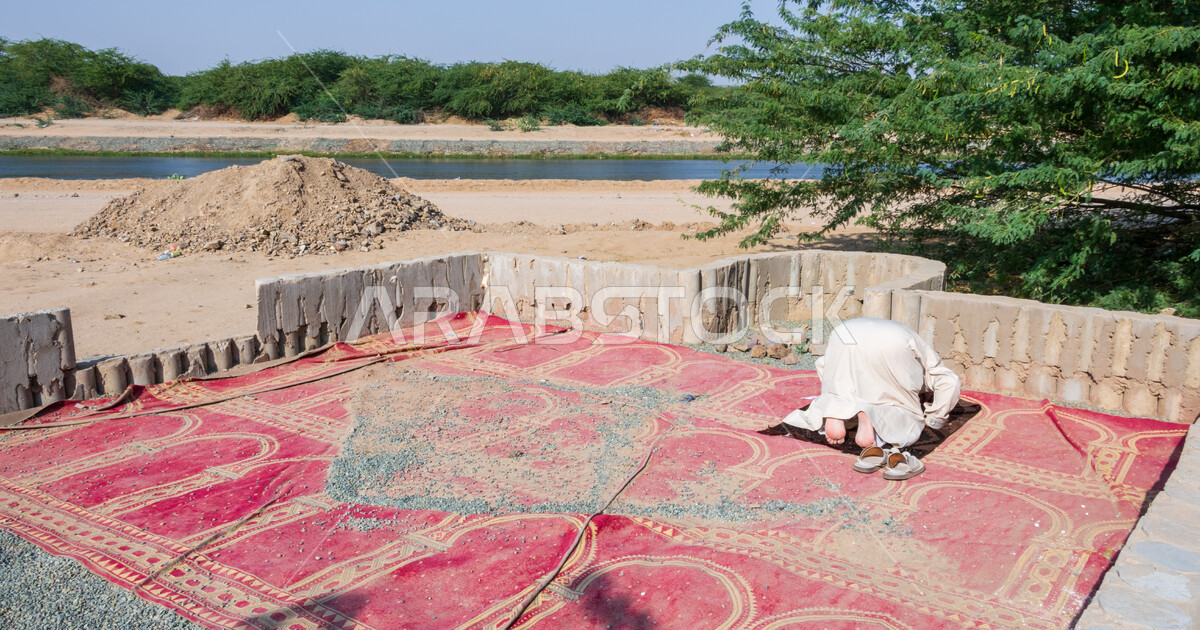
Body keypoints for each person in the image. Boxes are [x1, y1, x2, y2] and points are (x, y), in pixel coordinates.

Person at [780, 317, 961, 480]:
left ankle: (835, 407)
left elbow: (823, 365)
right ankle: (869, 412)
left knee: (843, 381)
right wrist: (934, 419)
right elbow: (950, 381)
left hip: (844, 331)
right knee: (905, 414)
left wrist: (835, 390)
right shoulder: (929, 363)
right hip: (893, 343)